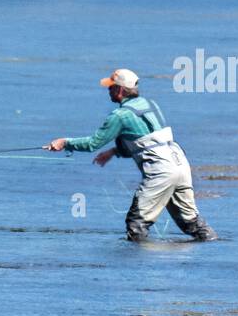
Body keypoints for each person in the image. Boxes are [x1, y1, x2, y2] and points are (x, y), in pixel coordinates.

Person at [44, 68, 217, 242]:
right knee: (190, 223)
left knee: (136, 224)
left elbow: (92, 143)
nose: (108, 90)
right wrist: (114, 151)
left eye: (111, 87)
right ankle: (213, 249)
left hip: (161, 171)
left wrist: (64, 142)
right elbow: (147, 139)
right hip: (180, 164)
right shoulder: (150, 104)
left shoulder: (120, 116)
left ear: (119, 90)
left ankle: (141, 267)